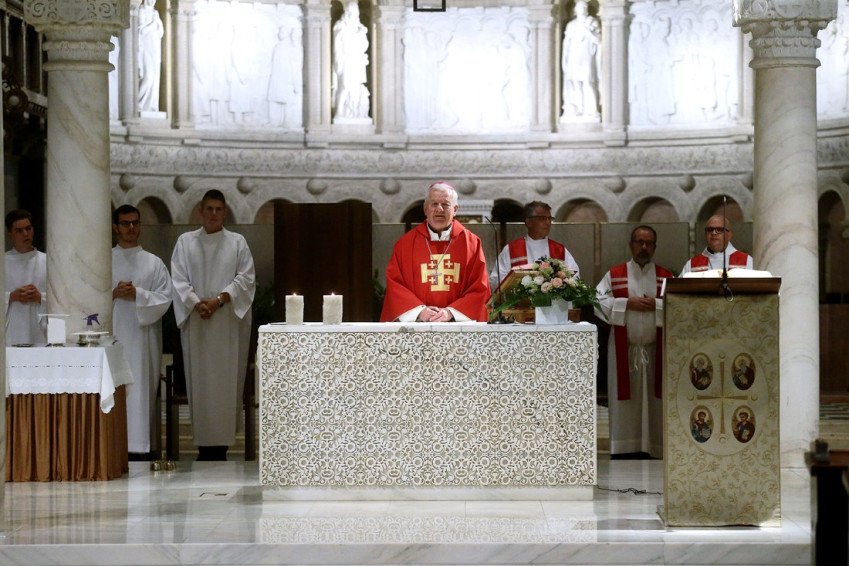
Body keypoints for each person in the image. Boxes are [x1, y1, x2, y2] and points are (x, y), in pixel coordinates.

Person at [171, 190, 256, 461]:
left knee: (226, 384)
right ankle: (204, 448)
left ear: (225, 212)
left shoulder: (237, 242)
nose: (214, 214)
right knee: (201, 384)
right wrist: (196, 303)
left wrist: (219, 300)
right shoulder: (185, 242)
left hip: (227, 323)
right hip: (198, 323)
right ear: (200, 210)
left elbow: (246, 279)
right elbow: (178, 279)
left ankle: (222, 447)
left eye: (219, 209)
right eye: (209, 208)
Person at [595, 225, 673, 459]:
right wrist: (627, 303)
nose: (644, 247)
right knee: (625, 402)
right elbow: (598, 302)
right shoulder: (614, 274)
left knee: (655, 401)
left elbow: (679, 305)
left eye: (649, 243)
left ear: (655, 247)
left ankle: (654, 445)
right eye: (640, 242)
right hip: (623, 350)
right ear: (631, 245)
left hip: (656, 350)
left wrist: (656, 305)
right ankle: (624, 446)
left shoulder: (666, 276)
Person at [112, 204, 172, 460]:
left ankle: (139, 450)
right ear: (115, 227)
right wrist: (113, 293)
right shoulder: (102, 260)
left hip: (143, 340)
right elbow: (89, 303)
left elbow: (165, 298)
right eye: (125, 223)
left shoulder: (153, 263)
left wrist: (138, 294)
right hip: (113, 338)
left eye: (135, 223)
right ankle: (112, 448)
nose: (131, 228)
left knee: (140, 393)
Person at [381, 182, 490, 322]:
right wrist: (419, 311)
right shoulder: (405, 244)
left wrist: (451, 312)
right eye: (434, 204)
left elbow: (480, 286)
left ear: (455, 209)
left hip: (458, 326)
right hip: (418, 325)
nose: (439, 209)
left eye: (445, 204)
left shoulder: (471, 243)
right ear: (425, 209)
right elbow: (395, 285)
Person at [488, 201, 580, 290]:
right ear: (528, 222)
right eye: (542, 218)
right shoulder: (511, 249)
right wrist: (519, 281)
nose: (548, 223)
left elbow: (575, 278)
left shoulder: (559, 250)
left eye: (549, 218)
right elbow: (495, 280)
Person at [5, 209, 47, 346]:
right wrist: (11, 296)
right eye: (19, 231)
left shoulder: (47, 261)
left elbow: (62, 299)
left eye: (28, 229)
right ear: (10, 235)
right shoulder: (2, 262)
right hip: (11, 331)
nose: (25, 234)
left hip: (39, 331)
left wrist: (39, 297)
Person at [561, 0, 601, 118]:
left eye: (584, 7)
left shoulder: (592, 22)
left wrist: (587, 32)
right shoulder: (571, 25)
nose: (582, 9)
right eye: (580, 7)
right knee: (576, 83)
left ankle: (593, 110)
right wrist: (564, 60)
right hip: (573, 56)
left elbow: (598, 41)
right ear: (575, 10)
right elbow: (566, 44)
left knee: (588, 81)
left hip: (586, 56)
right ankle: (579, 108)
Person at [331, 1, 370, 120]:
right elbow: (339, 41)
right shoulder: (340, 25)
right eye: (351, 12)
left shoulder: (359, 27)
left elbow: (364, 46)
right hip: (346, 59)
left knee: (356, 87)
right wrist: (359, 33)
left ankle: (355, 112)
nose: (354, 15)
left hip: (356, 60)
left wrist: (362, 34)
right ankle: (339, 111)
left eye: (355, 12)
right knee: (344, 85)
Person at [680, 215, 753, 275]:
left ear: (729, 235)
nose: (714, 233)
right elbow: (680, 287)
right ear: (705, 234)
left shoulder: (746, 261)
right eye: (710, 230)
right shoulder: (692, 264)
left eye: (719, 229)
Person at [138, 0, 164, 112]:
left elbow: (161, 31)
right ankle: (139, 103)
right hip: (145, 47)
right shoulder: (141, 10)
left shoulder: (155, 13)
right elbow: (140, 30)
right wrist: (153, 24)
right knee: (148, 76)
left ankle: (151, 106)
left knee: (154, 77)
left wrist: (155, 24)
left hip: (155, 46)